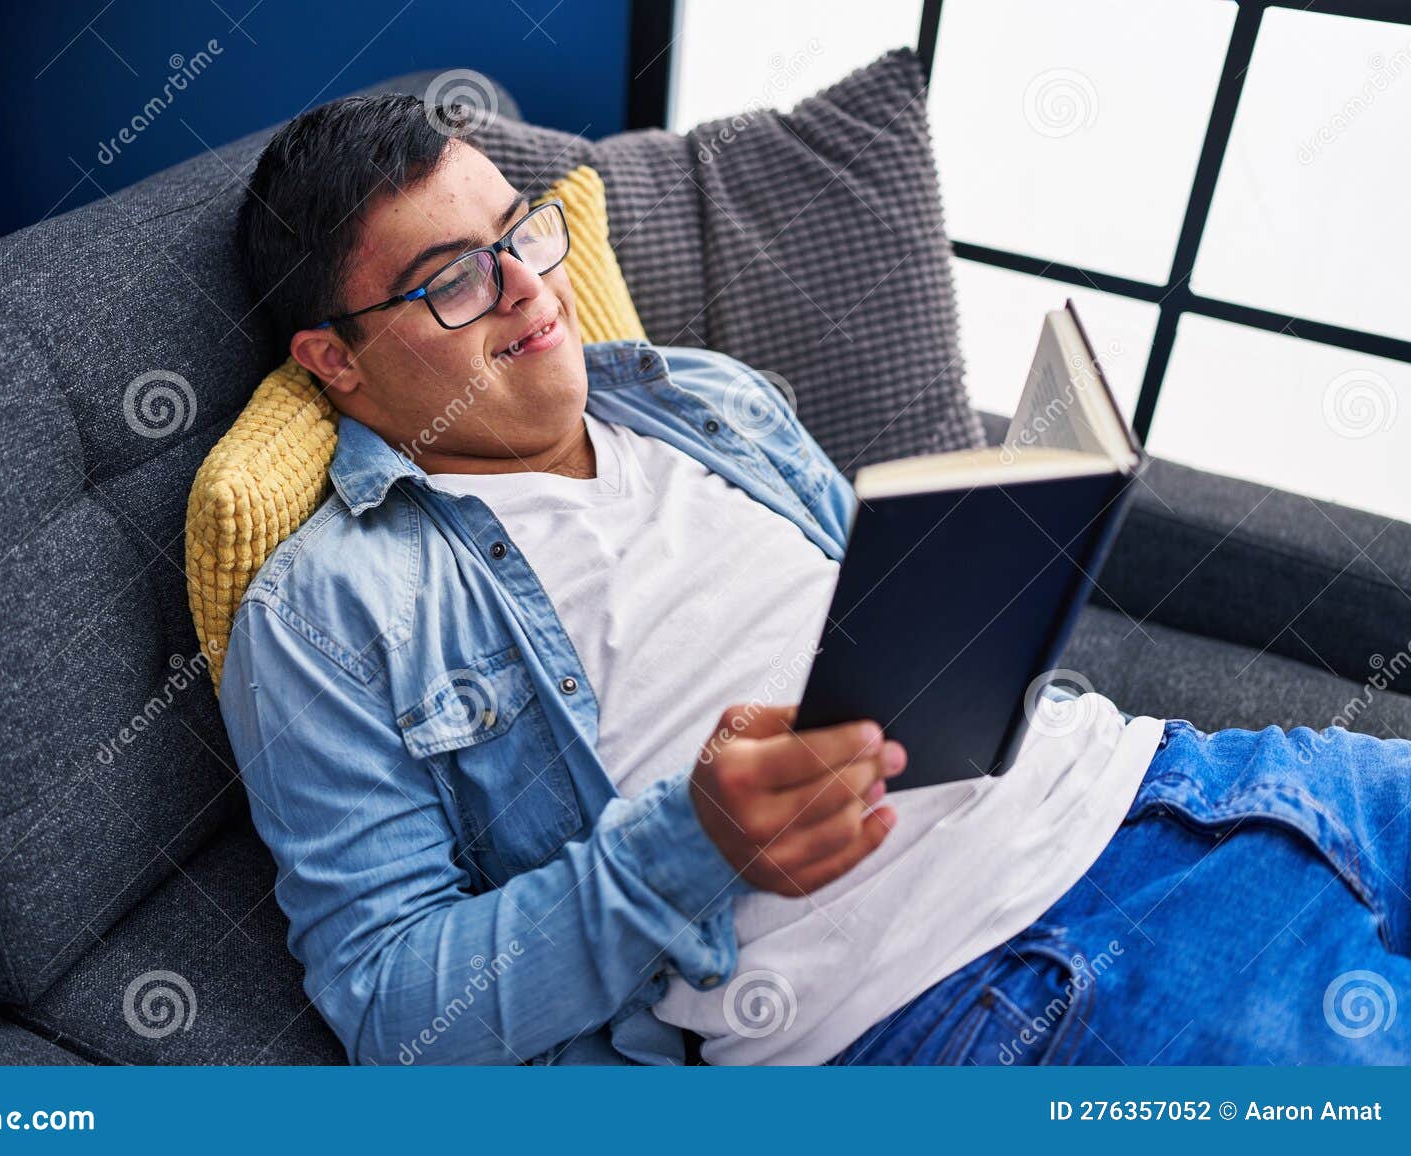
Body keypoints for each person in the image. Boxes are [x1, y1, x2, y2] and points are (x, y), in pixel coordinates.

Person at [220, 93, 1411, 1066]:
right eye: (454, 279)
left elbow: (883, 624)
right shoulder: (322, 613)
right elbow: (392, 1010)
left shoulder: (704, 394)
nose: (530, 286)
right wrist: (690, 844)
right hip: (1000, 977)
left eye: (522, 232)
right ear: (336, 360)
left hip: (1190, 779)